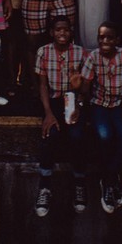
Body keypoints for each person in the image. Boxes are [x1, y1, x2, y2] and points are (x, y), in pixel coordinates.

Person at [79, 21, 122, 214]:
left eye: (109, 37)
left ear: (117, 40)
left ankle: (109, 178)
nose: (105, 41)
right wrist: (82, 102)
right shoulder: (93, 57)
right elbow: (86, 89)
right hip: (99, 105)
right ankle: (111, 180)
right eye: (101, 37)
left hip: (120, 105)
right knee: (104, 135)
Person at [34, 17, 89, 217]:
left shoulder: (80, 53)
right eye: (58, 30)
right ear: (52, 32)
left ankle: (79, 183)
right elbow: (42, 85)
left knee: (77, 136)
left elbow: (85, 88)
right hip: (54, 101)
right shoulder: (43, 52)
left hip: (73, 99)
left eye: (66, 30)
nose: (62, 33)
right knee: (50, 135)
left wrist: (79, 94)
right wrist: (48, 113)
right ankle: (45, 186)